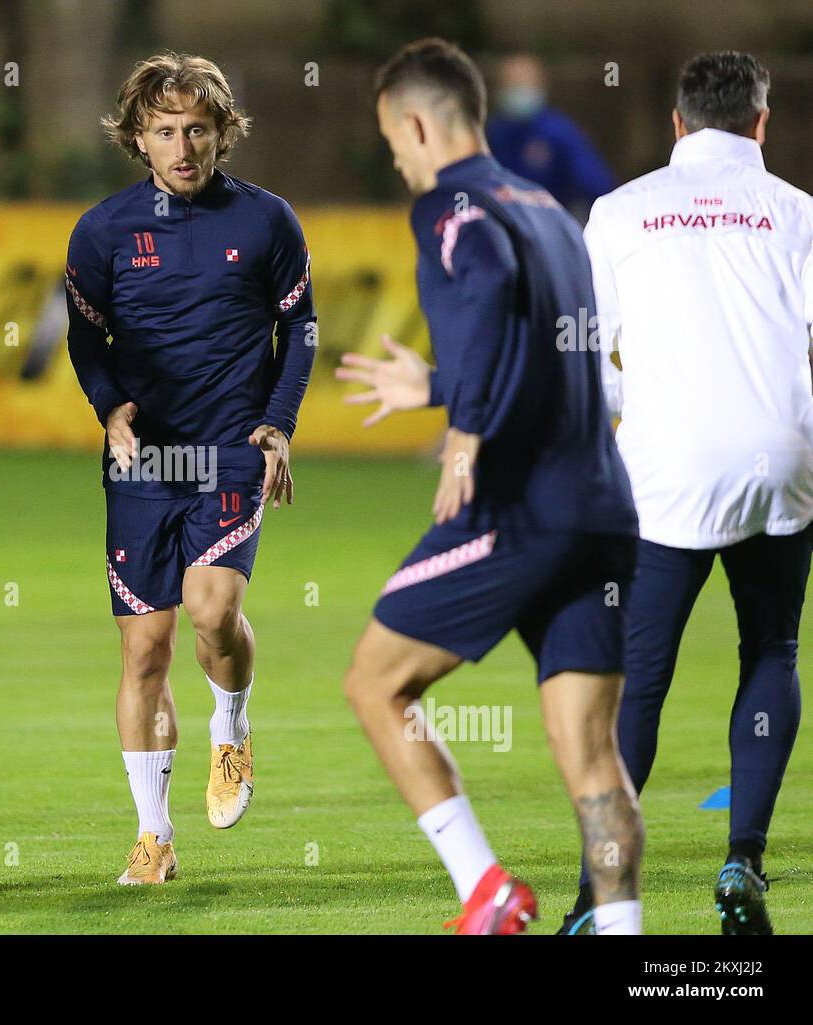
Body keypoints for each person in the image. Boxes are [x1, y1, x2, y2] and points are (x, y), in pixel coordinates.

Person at [335, 38, 643, 934]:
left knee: (374, 684)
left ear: (419, 123)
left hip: (521, 508)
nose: (396, 158)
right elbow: (537, 340)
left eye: (393, 139)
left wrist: (462, 428)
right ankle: (626, 941)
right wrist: (437, 385)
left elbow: (486, 287)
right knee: (593, 760)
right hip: (602, 512)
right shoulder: (546, 205)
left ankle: (485, 889)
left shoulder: (450, 206)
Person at [561, 51, 813, 936]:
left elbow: (589, 357)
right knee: (771, 649)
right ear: (761, 121)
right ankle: (742, 859)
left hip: (666, 469)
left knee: (633, 683)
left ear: (676, 123)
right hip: (778, 459)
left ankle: (602, 894)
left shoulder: (621, 211)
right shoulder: (799, 214)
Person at [65, 51, 316, 884]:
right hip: (143, 464)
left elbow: (301, 331)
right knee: (144, 651)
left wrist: (278, 427)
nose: (183, 146)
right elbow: (83, 336)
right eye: (166, 130)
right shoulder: (101, 231)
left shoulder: (268, 222)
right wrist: (109, 406)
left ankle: (232, 725)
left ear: (223, 133)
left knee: (212, 613)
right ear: (138, 136)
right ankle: (153, 835)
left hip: (228, 453)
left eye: (198, 129)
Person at [487, 53, 614, 217]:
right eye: (511, 85)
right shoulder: (495, 132)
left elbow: (596, 184)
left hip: (551, 224)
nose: (517, 91)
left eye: (522, 85)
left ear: (540, 86)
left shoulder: (558, 132)